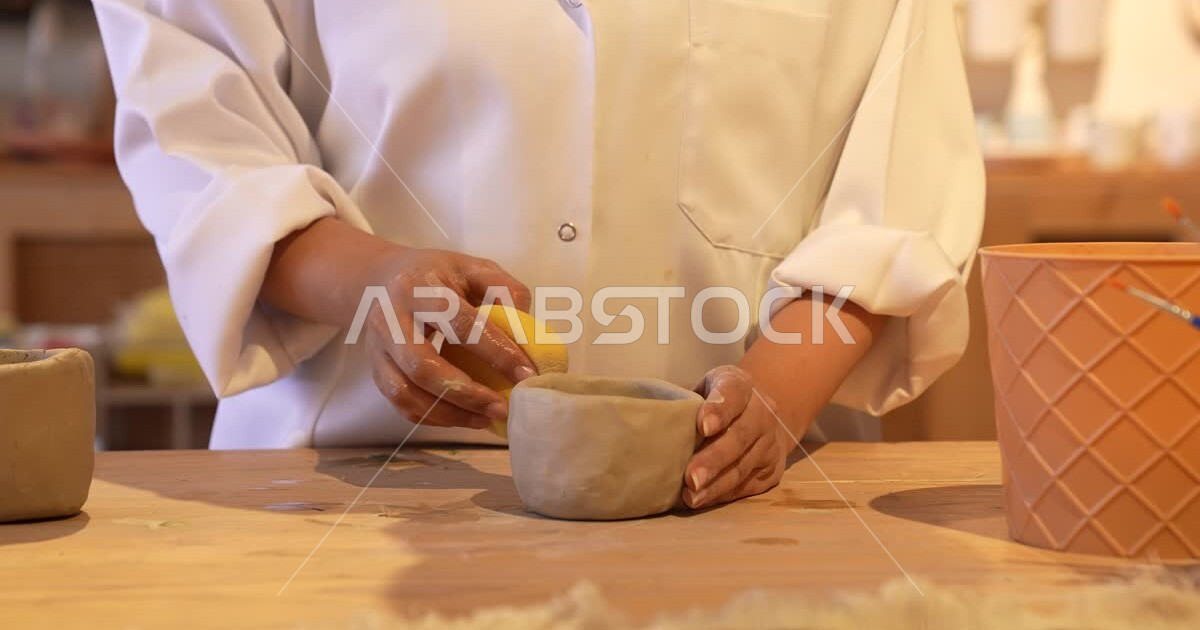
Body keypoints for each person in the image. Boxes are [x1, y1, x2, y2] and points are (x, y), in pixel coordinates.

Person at [93, 0, 983, 509]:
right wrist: (374, 280)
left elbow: (900, 179)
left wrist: (769, 405)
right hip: (353, 483)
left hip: (744, 506)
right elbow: (207, 144)